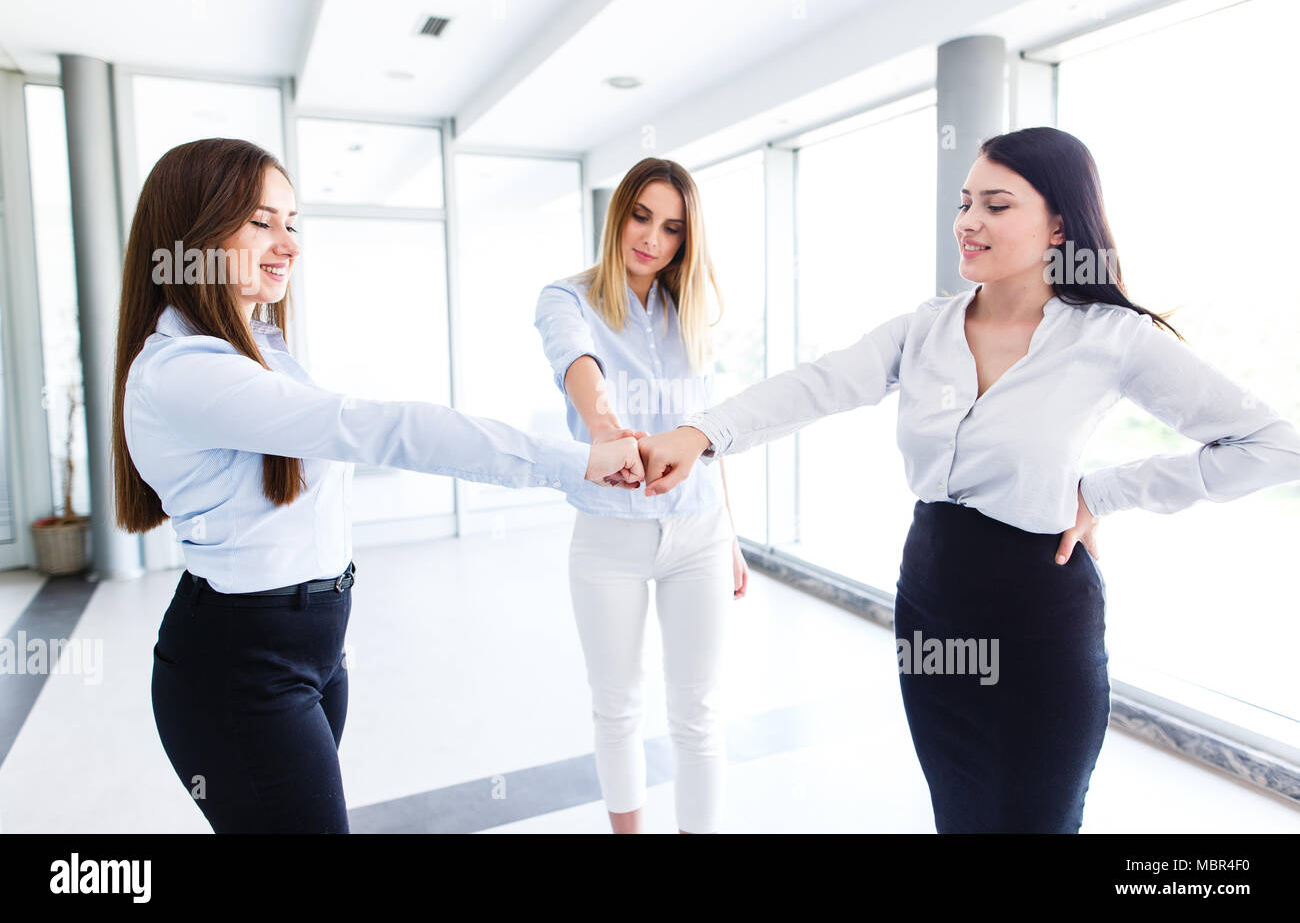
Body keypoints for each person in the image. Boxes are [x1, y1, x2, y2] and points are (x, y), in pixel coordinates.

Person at [634, 126, 1300, 833]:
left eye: (997, 205)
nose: (969, 222)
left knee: (1039, 819)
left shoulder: (1110, 337)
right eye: (964, 203)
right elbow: (817, 385)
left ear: (1059, 226)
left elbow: (1272, 445)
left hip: (1043, 615)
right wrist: (702, 431)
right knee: (961, 815)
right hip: (933, 602)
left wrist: (1102, 493)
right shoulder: (924, 329)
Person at [112, 137, 643, 833]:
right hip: (240, 670)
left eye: (292, 222)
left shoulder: (261, 346)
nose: (289, 245)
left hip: (315, 646)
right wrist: (574, 460)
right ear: (195, 232)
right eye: (261, 222)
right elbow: (380, 429)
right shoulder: (184, 372)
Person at [534, 157, 748, 834]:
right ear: (619, 213)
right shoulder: (566, 299)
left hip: (700, 531)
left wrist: (734, 538)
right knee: (618, 705)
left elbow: (705, 431)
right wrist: (605, 428)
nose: (652, 238)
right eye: (642, 216)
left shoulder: (692, 311)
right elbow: (579, 367)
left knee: (699, 711)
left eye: (673, 228)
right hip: (609, 537)